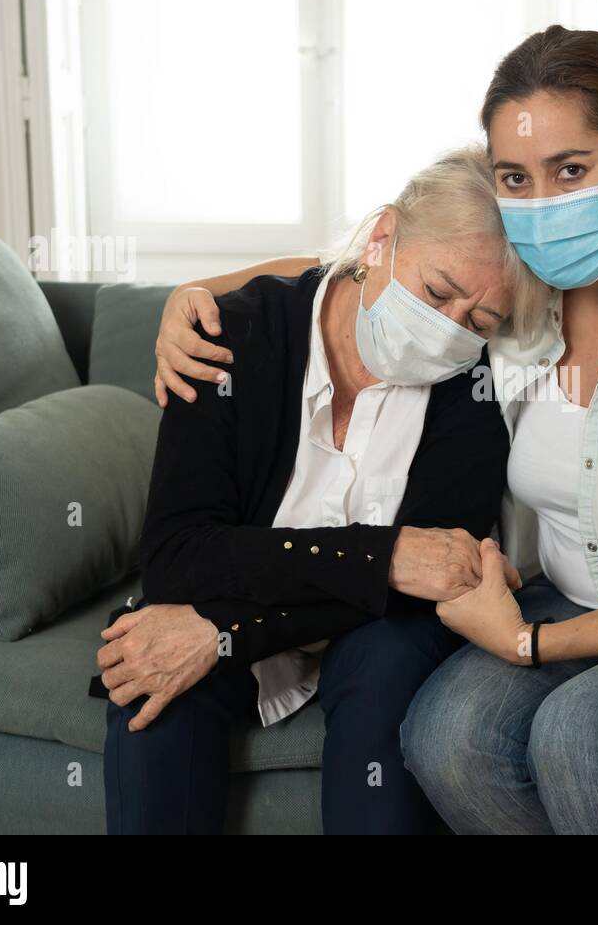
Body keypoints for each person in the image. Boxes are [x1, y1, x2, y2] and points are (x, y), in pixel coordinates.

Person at [155, 27, 598, 835]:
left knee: (583, 733)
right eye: (517, 178)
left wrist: (529, 644)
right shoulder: (516, 298)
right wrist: (195, 294)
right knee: (447, 740)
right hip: (573, 600)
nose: (544, 204)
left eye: (572, 170)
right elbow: (367, 262)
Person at [90, 146, 547, 834]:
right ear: (382, 238)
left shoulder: (478, 390)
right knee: (148, 687)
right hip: (249, 594)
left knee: (388, 666)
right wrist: (381, 557)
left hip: (374, 625)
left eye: (479, 322)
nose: (449, 329)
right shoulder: (228, 336)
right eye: (436, 292)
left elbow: (429, 578)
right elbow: (179, 558)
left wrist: (223, 630)